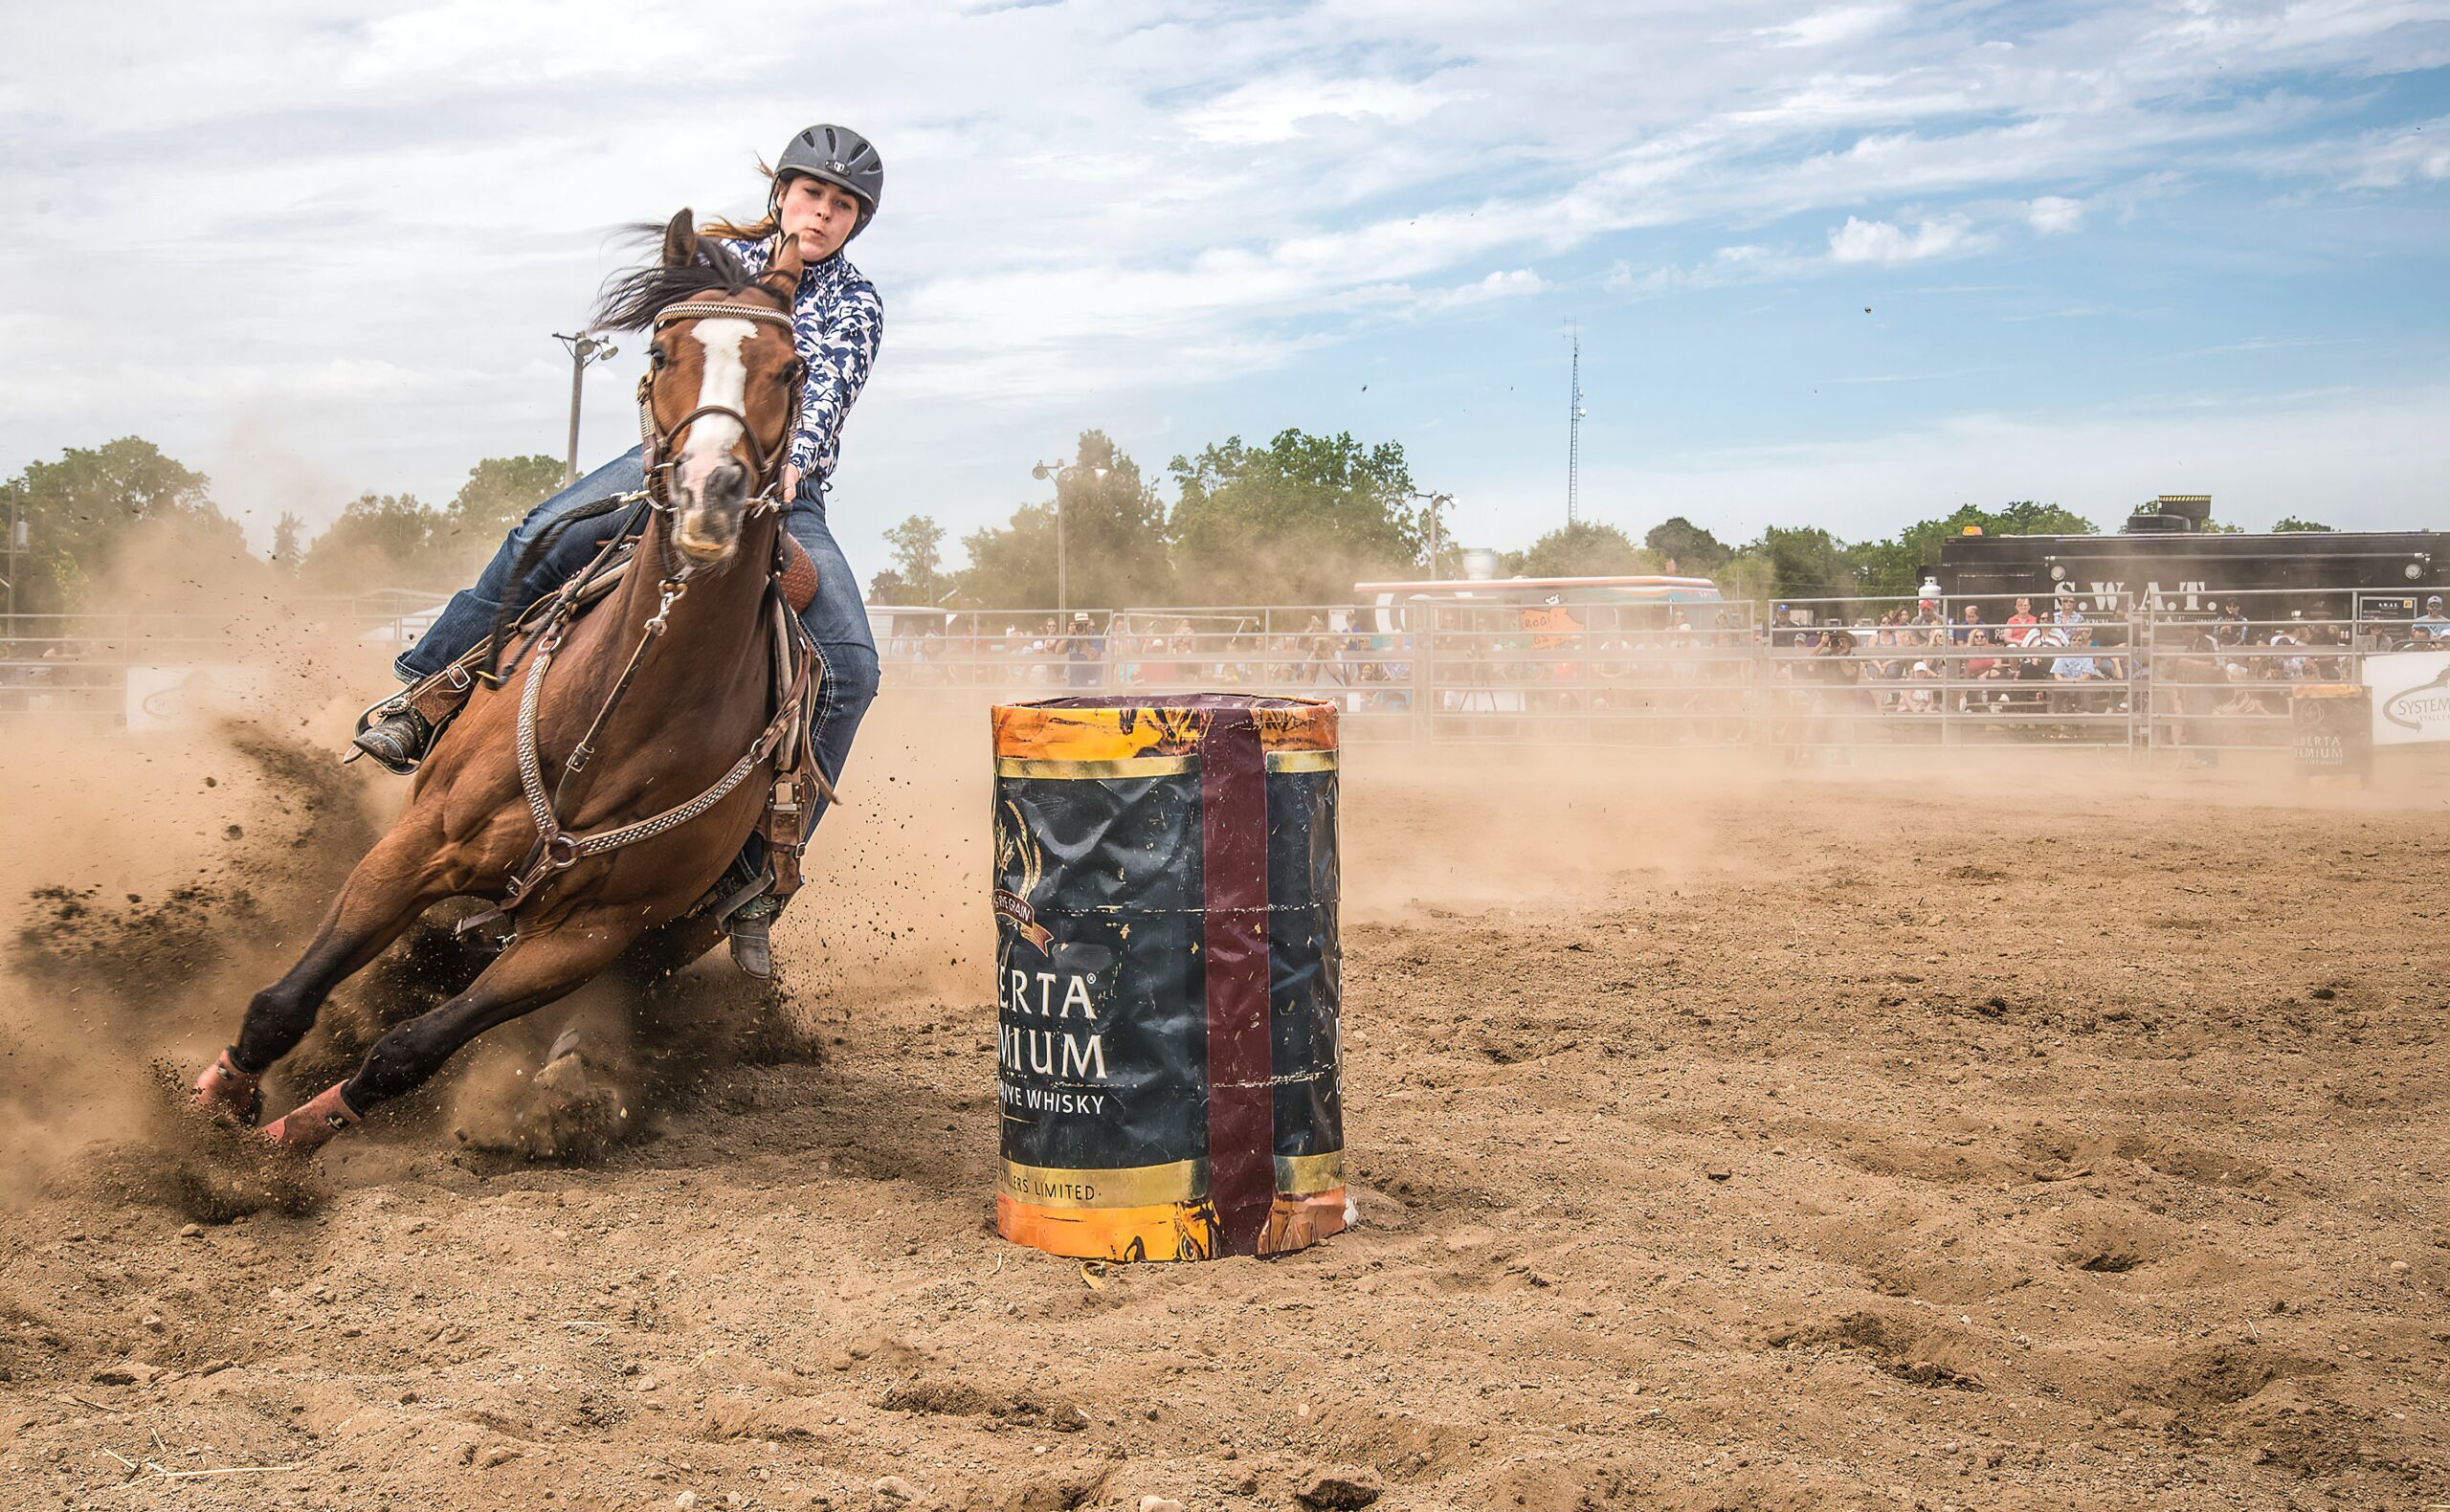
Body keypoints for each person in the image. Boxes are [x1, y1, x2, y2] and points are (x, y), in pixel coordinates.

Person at [351, 124, 887, 976]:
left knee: (852, 668)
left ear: (858, 222)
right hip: (673, 464)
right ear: (783, 193)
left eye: (843, 205)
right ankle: (425, 696)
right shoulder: (717, 267)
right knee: (542, 533)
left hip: (782, 488)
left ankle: (758, 873)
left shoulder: (855, 302)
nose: (823, 213)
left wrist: (792, 466)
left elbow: (828, 391)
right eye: (812, 193)